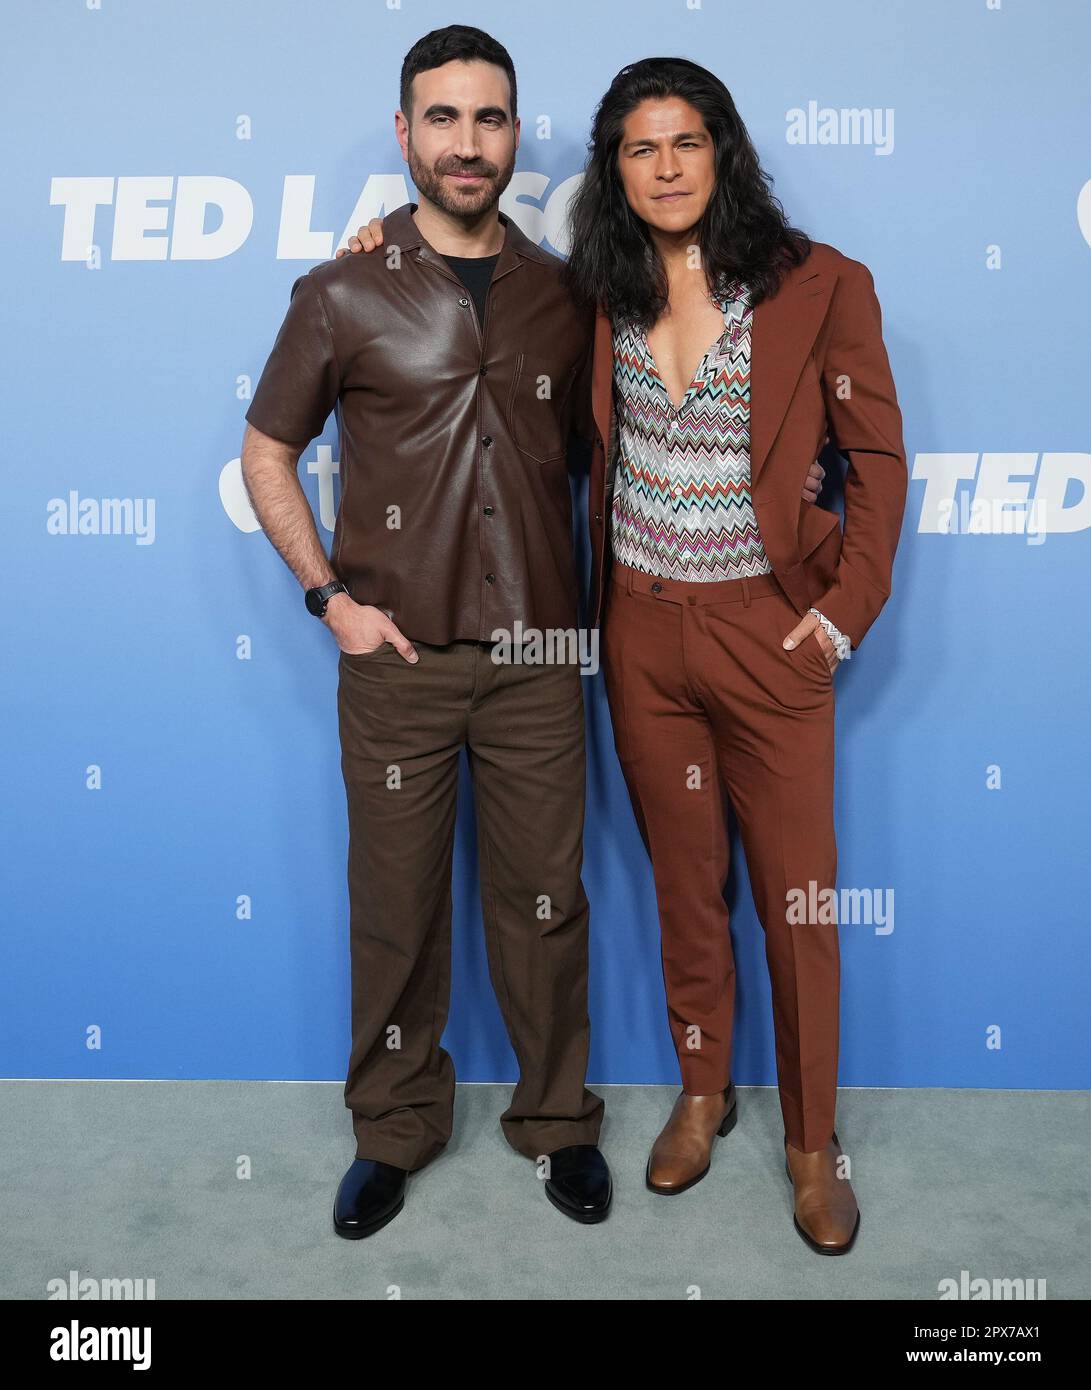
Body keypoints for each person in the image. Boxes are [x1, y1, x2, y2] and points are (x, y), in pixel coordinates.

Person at [240, 25, 618, 1237]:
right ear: (404, 134)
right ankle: (393, 1131)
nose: (468, 142)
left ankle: (557, 1123)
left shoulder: (569, 297)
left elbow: (616, 452)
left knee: (545, 903)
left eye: (490, 118)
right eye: (443, 118)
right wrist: (326, 600)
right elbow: (265, 453)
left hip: (539, 664)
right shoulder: (341, 288)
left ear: (515, 135)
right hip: (394, 666)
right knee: (395, 909)